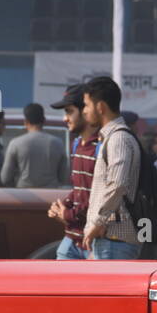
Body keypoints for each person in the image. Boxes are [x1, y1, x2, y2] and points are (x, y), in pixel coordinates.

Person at [82, 76, 143, 259]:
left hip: (114, 240)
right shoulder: (113, 137)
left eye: (86, 105)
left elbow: (117, 184)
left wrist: (98, 222)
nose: (84, 111)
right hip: (109, 240)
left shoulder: (118, 139)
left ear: (100, 107)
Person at [48, 82, 99, 259]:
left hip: (95, 241)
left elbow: (101, 197)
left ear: (85, 110)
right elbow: (80, 190)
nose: (65, 118)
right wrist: (63, 205)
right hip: (71, 239)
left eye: (69, 111)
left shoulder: (102, 147)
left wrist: (67, 214)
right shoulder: (77, 144)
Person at [0, 102, 68, 188]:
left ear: (25, 122)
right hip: (51, 195)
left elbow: (5, 178)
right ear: (44, 120)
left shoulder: (15, 143)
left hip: (24, 196)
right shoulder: (58, 143)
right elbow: (64, 178)